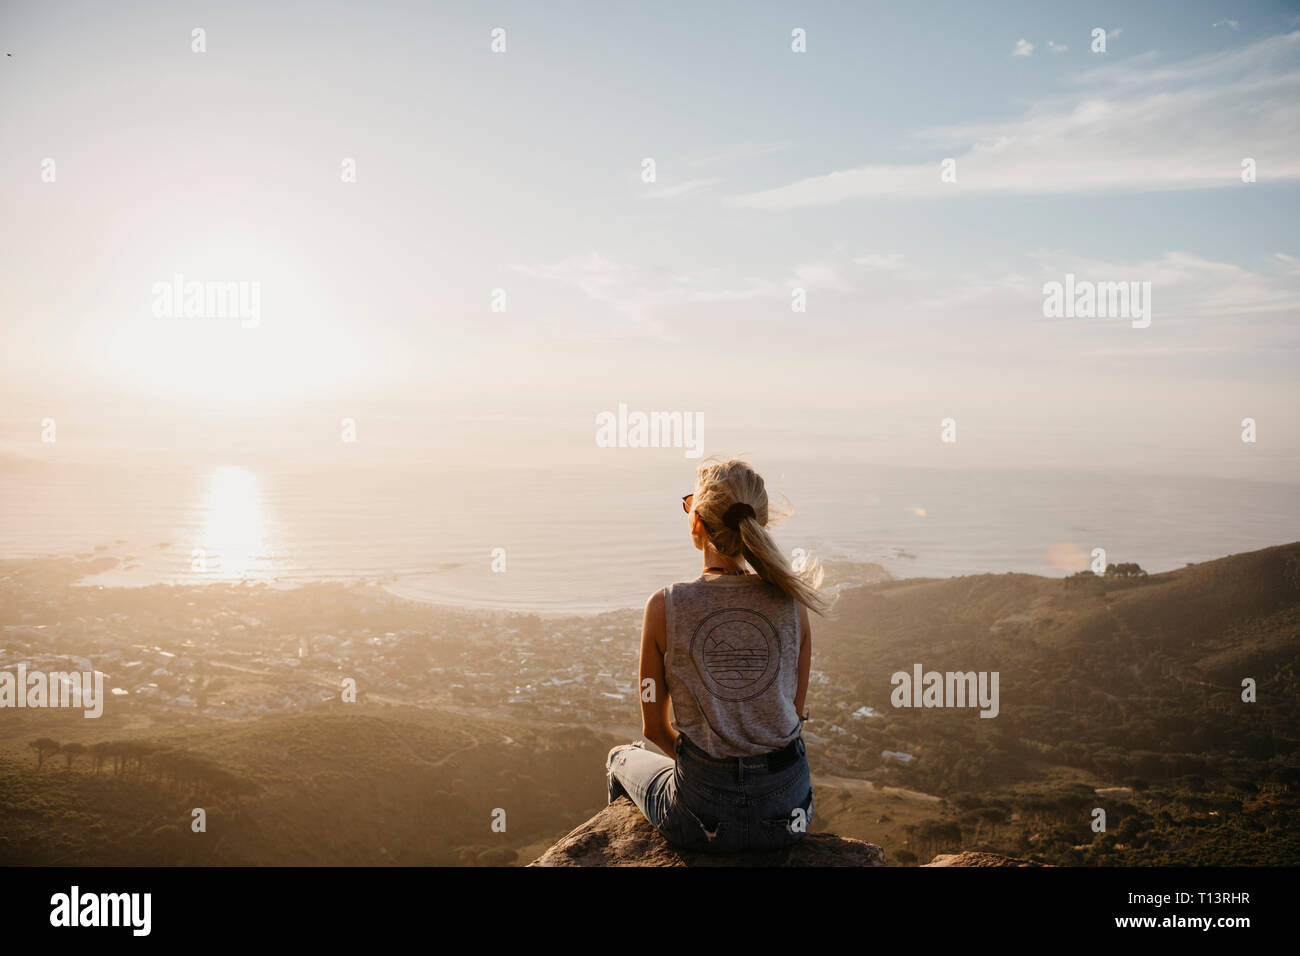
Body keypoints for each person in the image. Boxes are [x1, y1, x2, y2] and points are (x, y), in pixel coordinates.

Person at [606, 458, 834, 853]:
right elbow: (794, 715)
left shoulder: (665, 606)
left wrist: (710, 768)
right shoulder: (792, 602)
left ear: (697, 522)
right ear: (759, 524)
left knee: (619, 758)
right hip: (789, 812)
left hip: (703, 817)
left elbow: (653, 729)